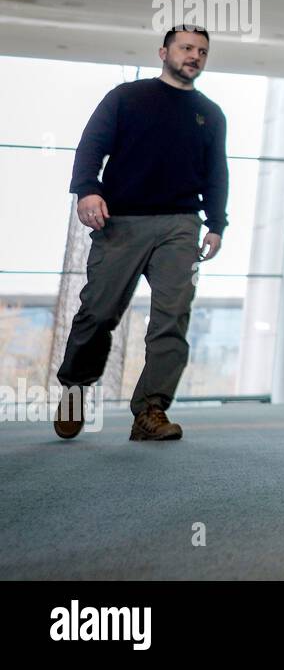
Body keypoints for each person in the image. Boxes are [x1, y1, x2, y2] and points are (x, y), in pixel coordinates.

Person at [55, 25, 228, 441]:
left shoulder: (211, 113)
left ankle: (150, 411)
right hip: (122, 221)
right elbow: (91, 146)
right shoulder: (126, 98)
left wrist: (217, 223)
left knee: (172, 318)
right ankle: (76, 389)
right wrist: (87, 191)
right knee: (98, 312)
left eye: (202, 51)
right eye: (186, 48)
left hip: (182, 225)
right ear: (163, 52)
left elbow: (216, 173)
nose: (194, 56)